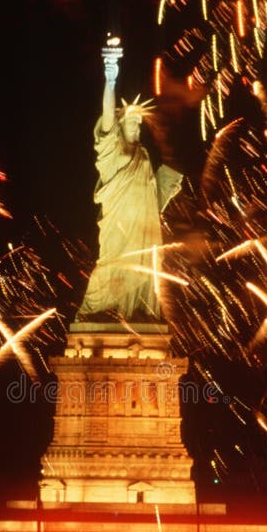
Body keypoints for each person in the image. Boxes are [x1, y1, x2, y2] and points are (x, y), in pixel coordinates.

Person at [77, 36, 182, 321]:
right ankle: (96, 309)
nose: (136, 126)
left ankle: (135, 310)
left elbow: (150, 198)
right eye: (131, 122)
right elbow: (108, 117)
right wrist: (110, 80)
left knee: (143, 266)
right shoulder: (112, 151)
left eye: (139, 123)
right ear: (120, 126)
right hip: (118, 224)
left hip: (144, 229)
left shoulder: (145, 156)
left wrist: (166, 188)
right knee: (111, 261)